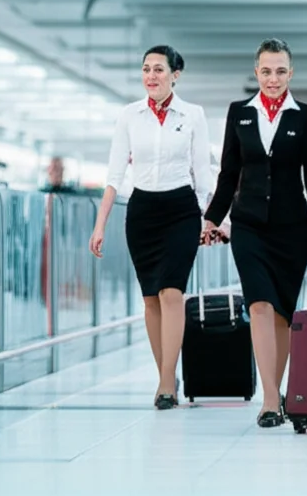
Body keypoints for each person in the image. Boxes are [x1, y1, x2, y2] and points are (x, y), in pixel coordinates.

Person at [201, 38, 307, 428]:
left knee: (283, 314)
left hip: (293, 230)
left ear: (290, 74)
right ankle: (271, 399)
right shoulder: (239, 114)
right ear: (256, 72)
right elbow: (228, 174)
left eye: (280, 71)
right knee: (259, 304)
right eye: (265, 71)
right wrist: (212, 218)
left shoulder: (305, 116)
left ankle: (282, 389)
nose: (272, 78)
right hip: (249, 227)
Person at [89, 45, 212, 410]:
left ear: (176, 74)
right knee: (150, 299)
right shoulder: (130, 116)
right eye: (146, 69)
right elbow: (114, 175)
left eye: (159, 69)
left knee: (172, 292)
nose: (152, 76)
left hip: (181, 210)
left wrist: (208, 219)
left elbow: (201, 174)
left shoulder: (192, 115)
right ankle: (166, 376)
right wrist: (99, 226)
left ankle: (165, 384)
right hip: (142, 211)